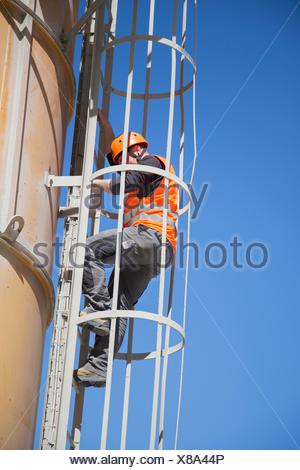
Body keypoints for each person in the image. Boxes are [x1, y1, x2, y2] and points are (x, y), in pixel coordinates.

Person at [73, 110, 178, 387]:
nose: (122, 165)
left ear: (140, 149)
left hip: (149, 237)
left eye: (125, 158)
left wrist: (96, 182)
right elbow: (115, 154)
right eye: (119, 161)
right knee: (119, 303)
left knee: (86, 250)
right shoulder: (132, 164)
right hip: (151, 252)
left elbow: (124, 182)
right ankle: (99, 368)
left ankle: (98, 308)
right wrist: (105, 125)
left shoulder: (152, 162)